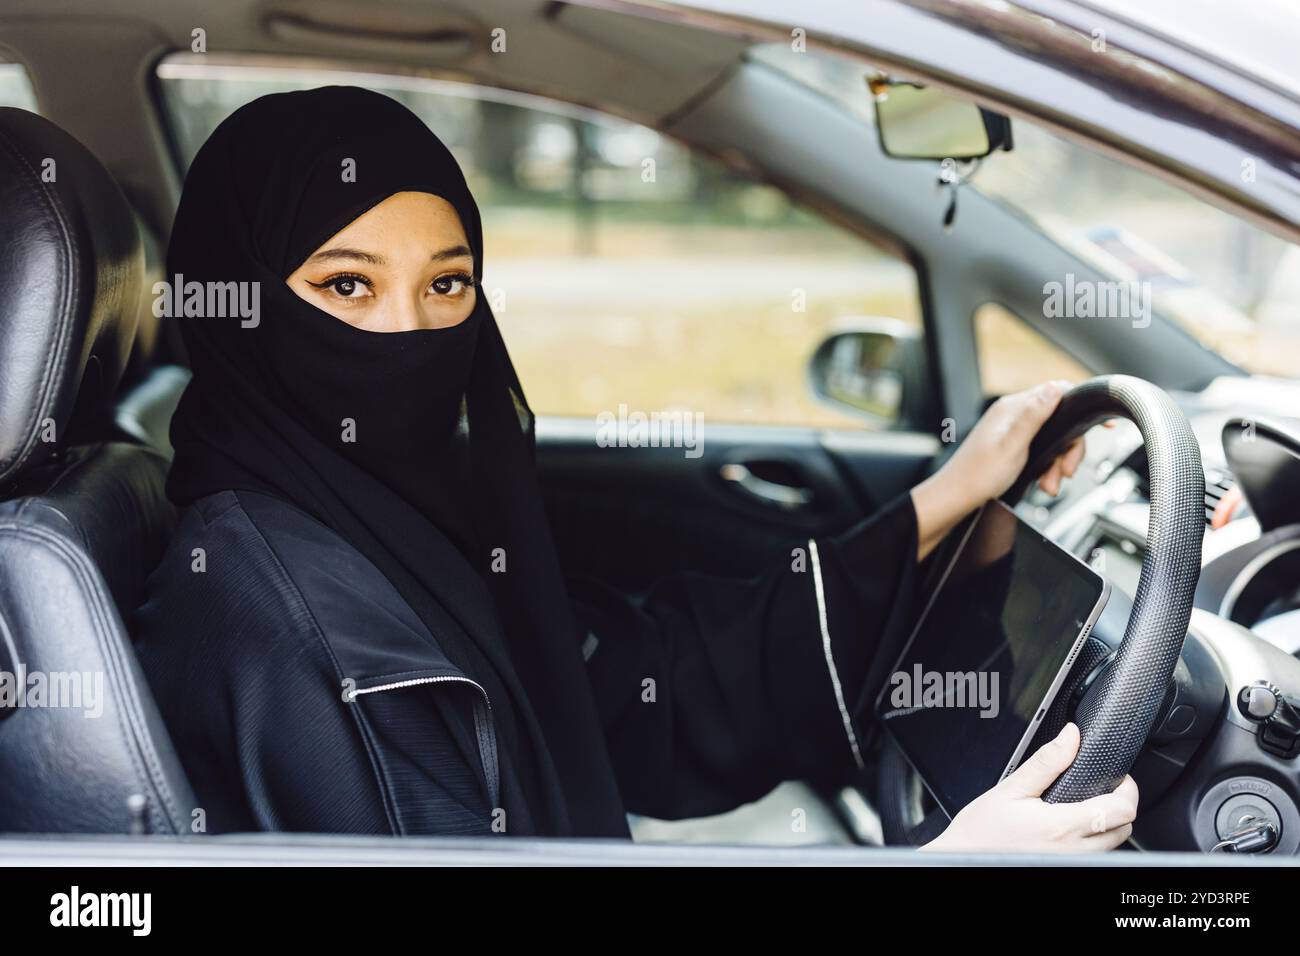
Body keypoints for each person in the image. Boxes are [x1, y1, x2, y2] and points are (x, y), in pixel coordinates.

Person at [133, 86, 1138, 850]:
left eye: (448, 284)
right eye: (346, 283)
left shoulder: (384, 518)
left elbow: (630, 693)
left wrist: (946, 497)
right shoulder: (278, 619)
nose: (411, 331)